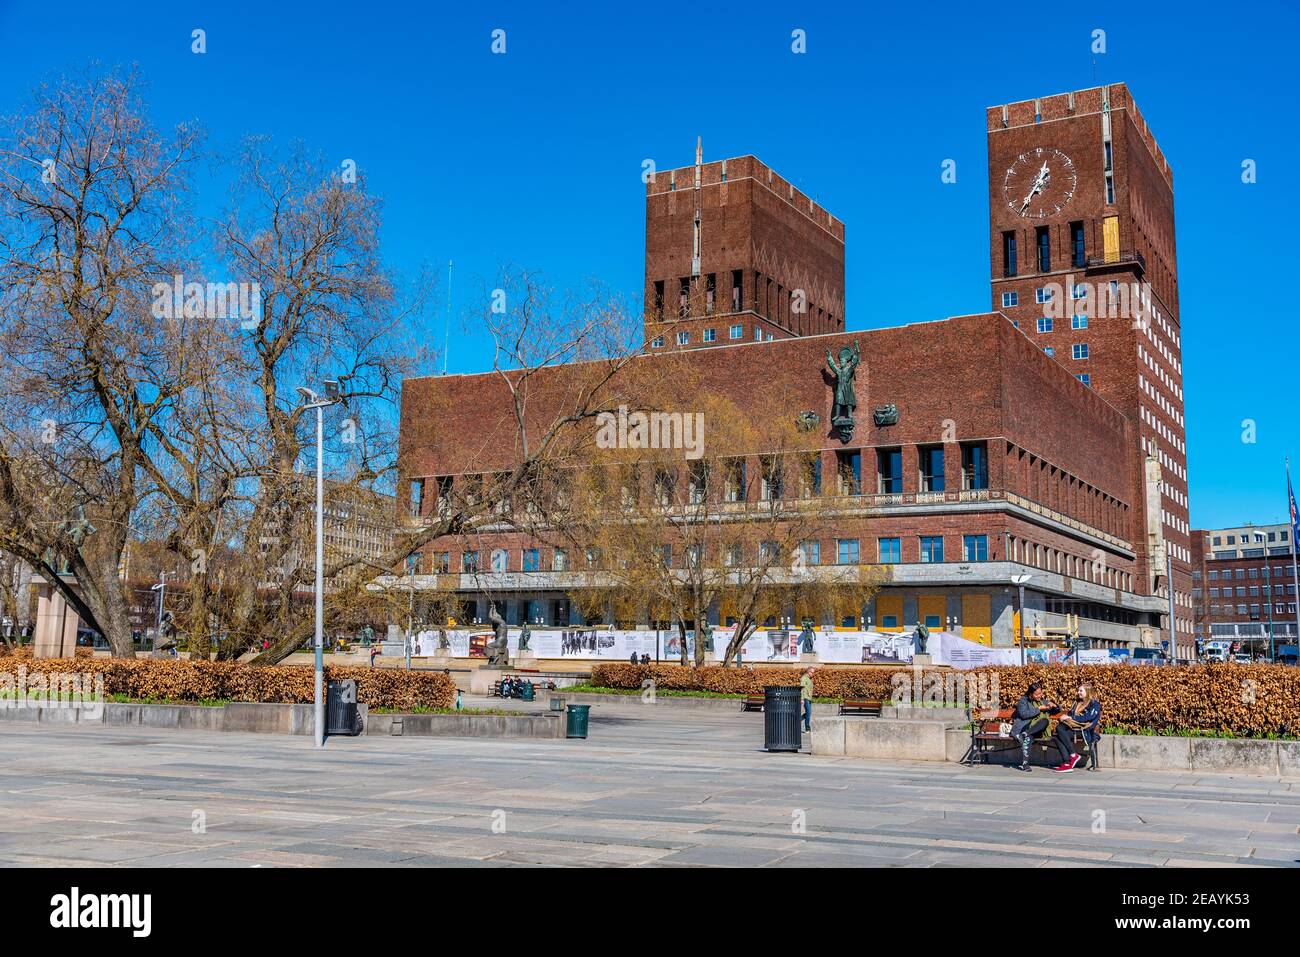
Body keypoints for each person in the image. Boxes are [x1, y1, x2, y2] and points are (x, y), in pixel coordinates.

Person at [1052, 683, 1102, 773]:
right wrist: (1065, 717)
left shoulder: (1095, 704)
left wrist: (1071, 718)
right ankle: (1068, 762)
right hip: (1073, 728)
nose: (1078, 692)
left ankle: (1070, 759)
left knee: (1059, 731)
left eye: (1081, 690)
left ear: (1087, 692)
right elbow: (1071, 714)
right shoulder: (1077, 703)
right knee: (1057, 734)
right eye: (1078, 690)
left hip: (1085, 731)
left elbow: (1087, 717)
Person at [1010, 681, 1056, 772]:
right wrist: (1039, 709)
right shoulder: (1023, 701)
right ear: (1031, 694)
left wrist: (1054, 706)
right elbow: (1024, 714)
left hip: (1037, 729)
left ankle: (1024, 735)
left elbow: (1056, 711)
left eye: (1041, 693)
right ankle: (1025, 764)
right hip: (1026, 727)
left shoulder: (1043, 701)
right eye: (1037, 694)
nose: (1040, 695)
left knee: (1045, 721)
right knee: (1029, 736)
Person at [799, 667, 815, 733]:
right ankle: (807, 728)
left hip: (809, 698)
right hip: (805, 698)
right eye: (812, 672)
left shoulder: (809, 679)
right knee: (808, 713)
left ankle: (797, 720)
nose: (813, 674)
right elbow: (802, 689)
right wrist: (802, 698)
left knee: (808, 713)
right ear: (809, 672)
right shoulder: (803, 678)